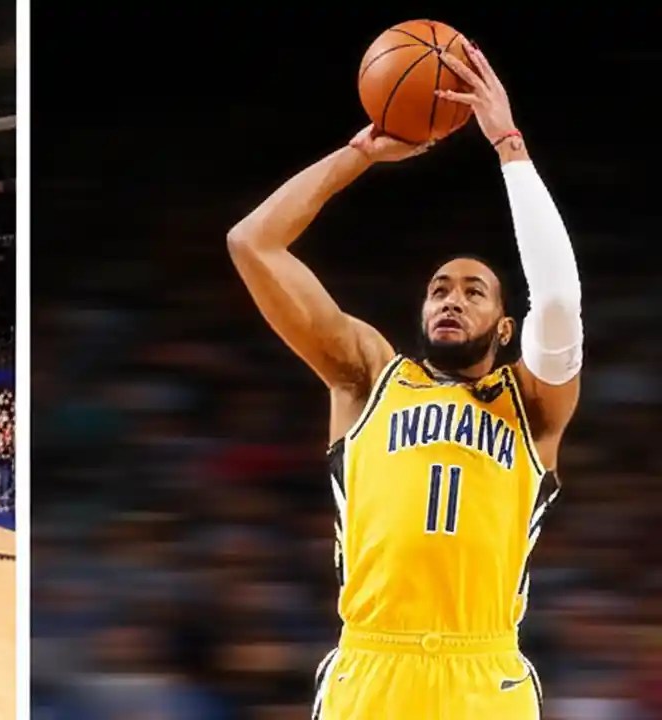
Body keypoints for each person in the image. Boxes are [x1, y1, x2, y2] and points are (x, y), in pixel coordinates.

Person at [226, 44, 581, 719]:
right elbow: (252, 243)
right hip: (372, 667)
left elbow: (560, 301)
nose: (451, 298)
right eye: (439, 288)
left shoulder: (532, 407)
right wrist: (358, 154)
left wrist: (509, 145)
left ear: (507, 329)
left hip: (486, 675)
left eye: (474, 291)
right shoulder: (368, 376)